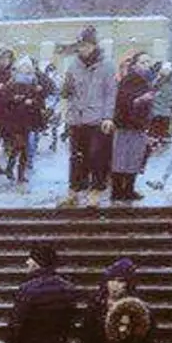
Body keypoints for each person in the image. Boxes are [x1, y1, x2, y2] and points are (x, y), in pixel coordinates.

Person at [59, 26, 115, 207]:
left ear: (93, 45)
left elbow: (110, 93)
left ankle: (96, 191)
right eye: (79, 45)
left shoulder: (107, 65)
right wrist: (65, 87)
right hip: (76, 117)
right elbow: (66, 92)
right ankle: (74, 191)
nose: (82, 49)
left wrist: (108, 117)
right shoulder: (73, 64)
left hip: (98, 117)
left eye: (85, 45)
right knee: (76, 156)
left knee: (97, 155)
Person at [110, 53, 155, 201]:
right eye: (143, 62)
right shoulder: (129, 80)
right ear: (135, 65)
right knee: (121, 158)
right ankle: (117, 191)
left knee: (134, 158)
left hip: (139, 125)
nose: (146, 65)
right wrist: (141, 99)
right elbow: (123, 101)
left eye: (148, 62)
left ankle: (129, 189)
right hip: (126, 125)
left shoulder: (146, 80)